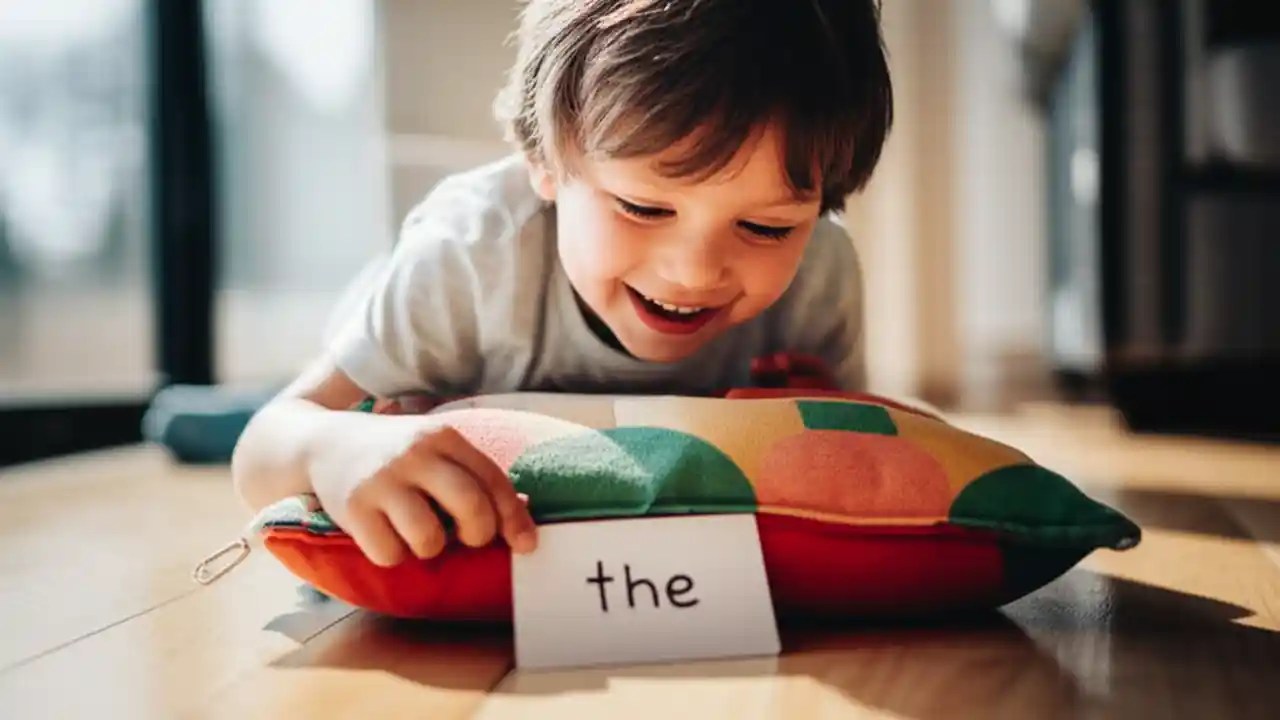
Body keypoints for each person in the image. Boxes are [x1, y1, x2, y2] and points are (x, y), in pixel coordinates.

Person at [231, 0, 893, 569]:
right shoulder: (466, 258)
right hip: (386, 344)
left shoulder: (822, 273)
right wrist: (334, 446)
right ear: (544, 163)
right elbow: (267, 445)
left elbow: (869, 461)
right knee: (259, 412)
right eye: (642, 208)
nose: (694, 272)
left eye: (765, 228)